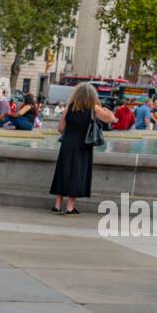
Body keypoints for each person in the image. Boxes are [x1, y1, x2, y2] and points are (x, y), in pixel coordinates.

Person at [50, 82, 115, 215]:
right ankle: (70, 208)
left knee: (63, 172)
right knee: (77, 173)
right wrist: (109, 113)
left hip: (67, 144)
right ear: (92, 95)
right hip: (83, 145)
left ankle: (57, 205)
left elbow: (60, 128)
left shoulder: (69, 108)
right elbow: (111, 120)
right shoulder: (94, 108)